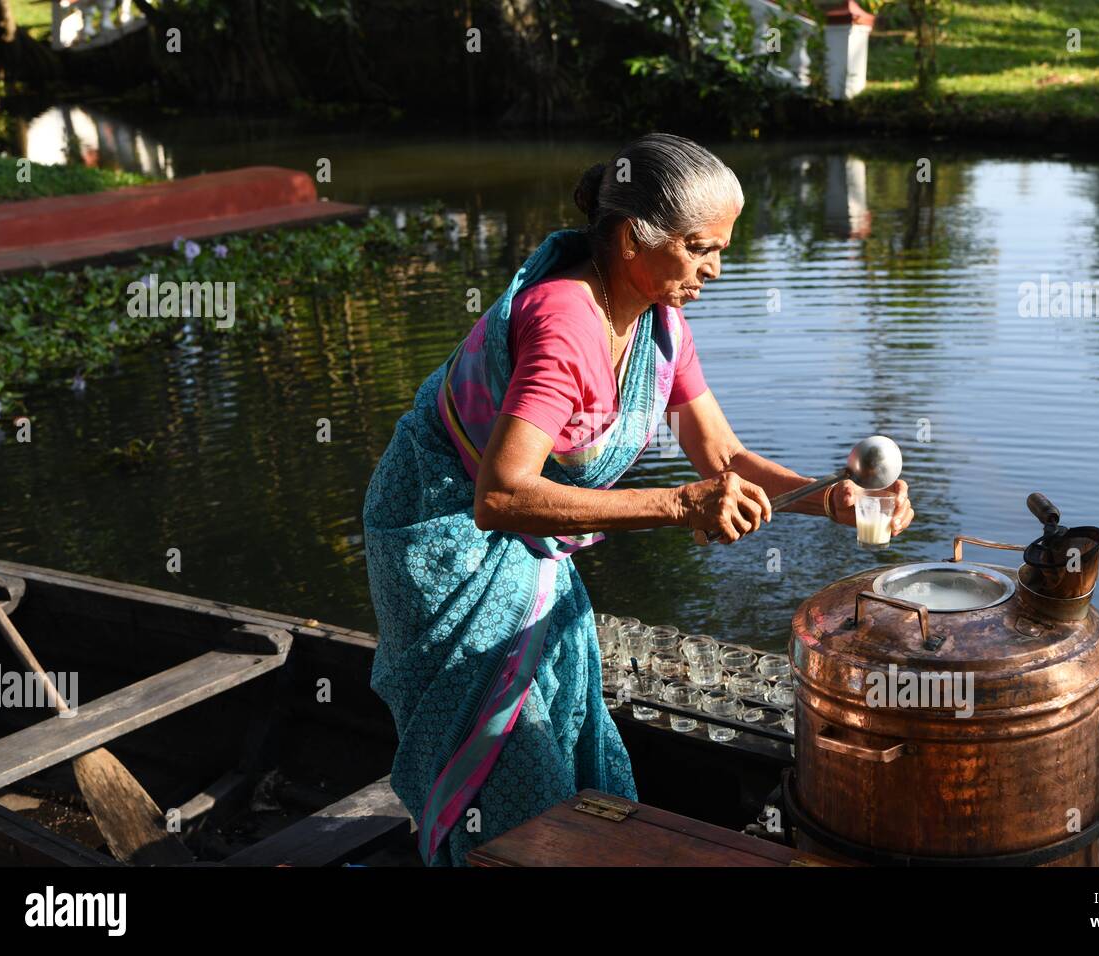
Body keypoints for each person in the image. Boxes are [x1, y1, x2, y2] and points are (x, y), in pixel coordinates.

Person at [362, 132, 914, 866]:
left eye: (721, 248)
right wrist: (681, 506)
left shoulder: (659, 322)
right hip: (446, 539)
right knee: (500, 755)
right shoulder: (564, 325)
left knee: (558, 722)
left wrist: (830, 499)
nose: (715, 269)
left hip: (526, 544)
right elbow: (499, 497)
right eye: (699, 248)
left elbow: (721, 457)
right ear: (631, 238)